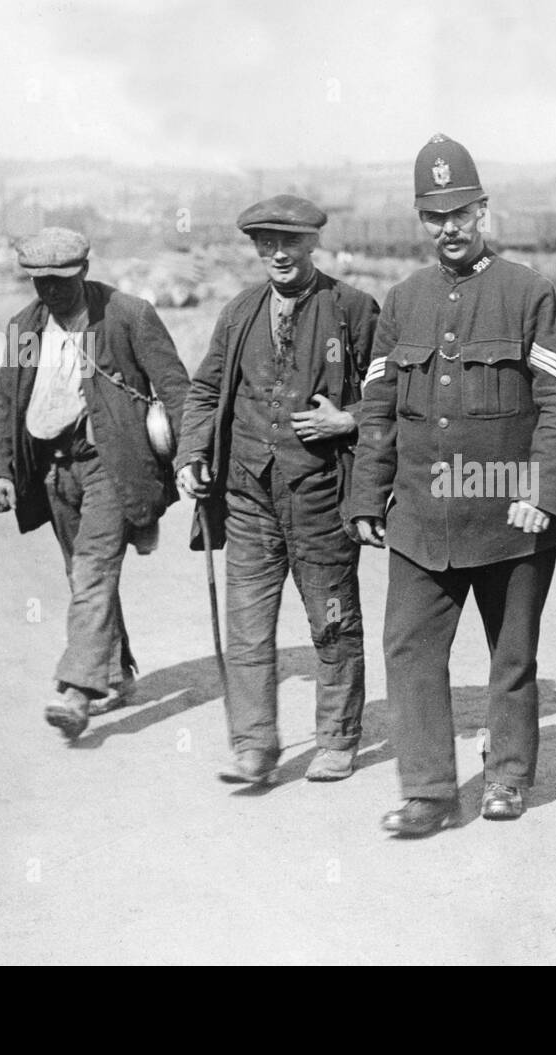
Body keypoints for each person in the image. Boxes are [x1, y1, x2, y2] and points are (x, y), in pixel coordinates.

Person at [350, 134, 556, 836]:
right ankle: (428, 790)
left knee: (511, 654)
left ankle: (509, 777)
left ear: (482, 210)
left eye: (460, 212)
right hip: (423, 517)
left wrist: (544, 492)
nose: (448, 227)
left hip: (512, 513)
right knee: (408, 647)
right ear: (420, 221)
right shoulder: (402, 301)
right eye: (434, 215)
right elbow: (378, 408)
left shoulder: (527, 293)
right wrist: (368, 495)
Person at [175, 196, 378, 785]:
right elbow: (206, 391)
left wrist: (349, 420)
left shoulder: (353, 310)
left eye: (290, 242)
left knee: (332, 621)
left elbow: (395, 398)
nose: (279, 254)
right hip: (247, 497)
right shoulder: (239, 312)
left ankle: (338, 739)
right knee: (247, 627)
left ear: (314, 243)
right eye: (266, 243)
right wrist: (191, 454)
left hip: (320, 497)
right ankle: (253, 746)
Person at [0, 227, 190, 740]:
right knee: (82, 575)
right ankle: (115, 672)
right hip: (54, 470)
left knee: (94, 569)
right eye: (40, 283)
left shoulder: (127, 315)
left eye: (60, 281)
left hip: (110, 464)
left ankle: (76, 692)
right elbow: (6, 401)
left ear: (84, 271)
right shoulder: (24, 326)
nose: (50, 291)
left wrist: (193, 458)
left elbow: (176, 388)